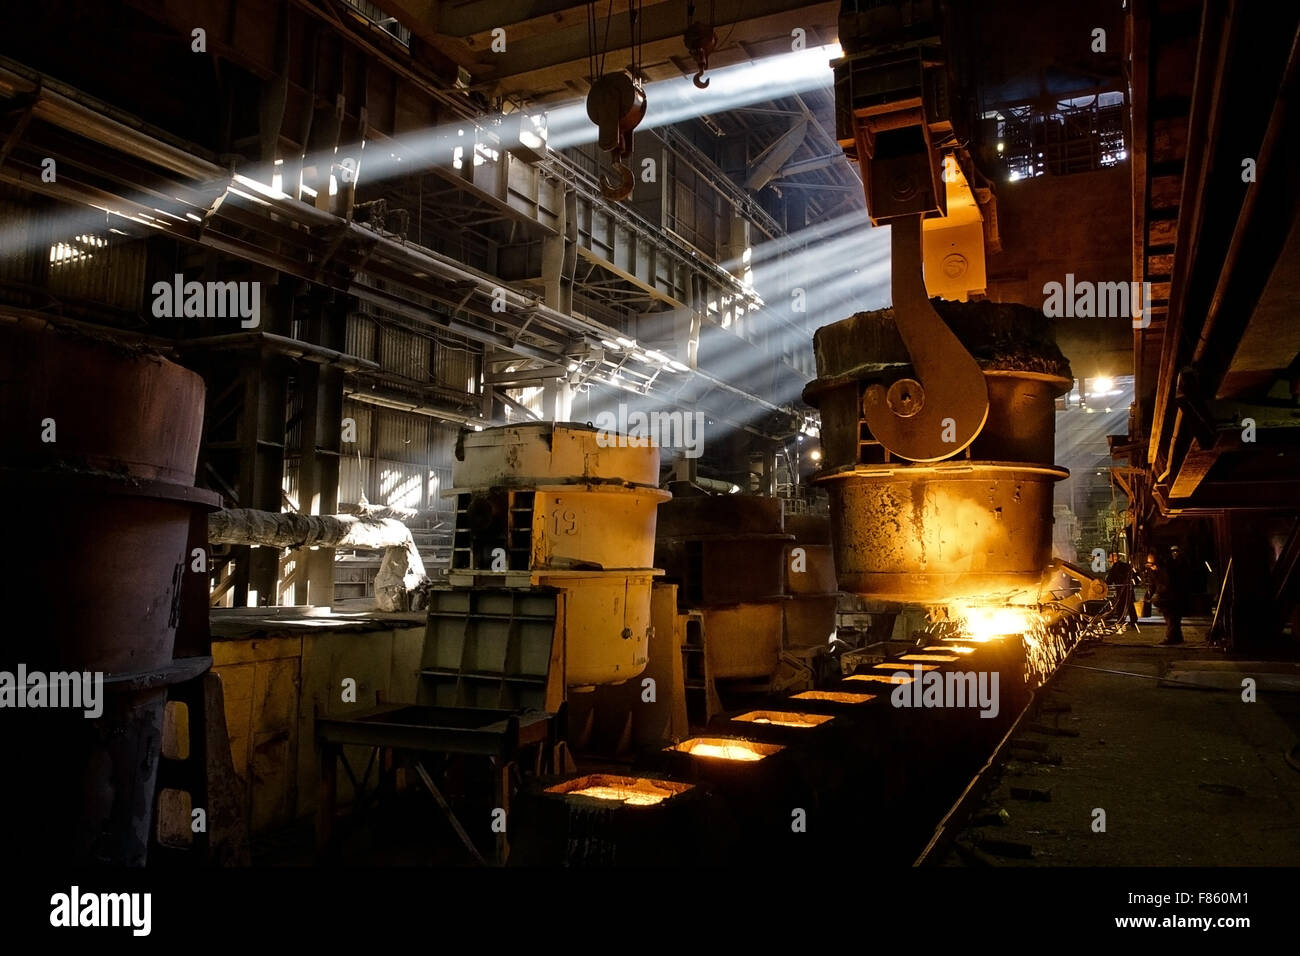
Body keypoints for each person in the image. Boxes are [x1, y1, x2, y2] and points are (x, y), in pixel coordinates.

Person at [1151, 546, 1192, 645]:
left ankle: (1171, 637)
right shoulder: (1171, 565)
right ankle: (1178, 637)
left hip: (1172, 596)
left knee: (1172, 618)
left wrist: (1159, 594)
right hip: (1175, 595)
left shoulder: (1167, 568)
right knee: (1174, 619)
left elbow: (1166, 583)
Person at [1105, 552, 1139, 628]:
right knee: (1130, 606)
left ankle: (1120, 622)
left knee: (1120, 607)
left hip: (1121, 591)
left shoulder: (1114, 568)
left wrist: (1104, 585)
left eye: (1110, 557)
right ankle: (1134, 622)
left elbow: (1109, 580)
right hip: (1129, 589)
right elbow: (1136, 577)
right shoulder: (1127, 566)